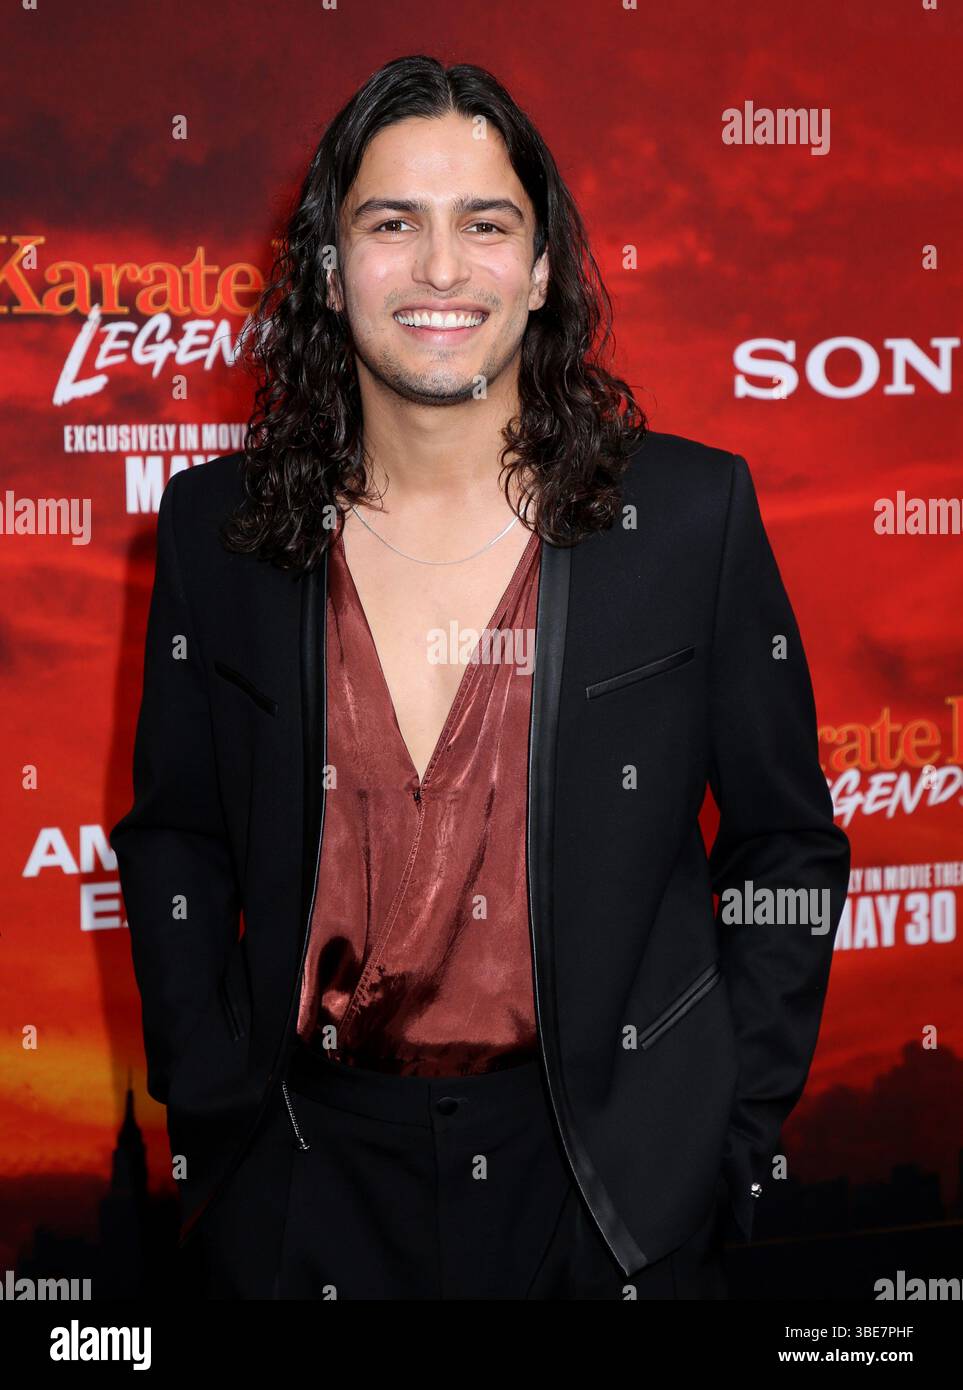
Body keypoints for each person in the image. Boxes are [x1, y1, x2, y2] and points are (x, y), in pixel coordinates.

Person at [109, 54, 851, 1301]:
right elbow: (175, 836)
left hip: (604, 1190)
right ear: (333, 268)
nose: (443, 269)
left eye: (485, 223)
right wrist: (215, 1112)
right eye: (393, 222)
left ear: (543, 266)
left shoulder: (684, 518)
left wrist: (723, 1139)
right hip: (303, 1184)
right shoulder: (213, 532)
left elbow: (786, 848)